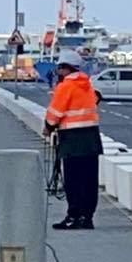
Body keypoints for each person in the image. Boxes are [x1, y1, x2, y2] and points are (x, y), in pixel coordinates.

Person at [43, 49, 102, 230]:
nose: (58, 72)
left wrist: (48, 127)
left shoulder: (65, 86)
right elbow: (94, 100)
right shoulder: (87, 84)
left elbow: (55, 112)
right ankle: (87, 217)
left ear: (65, 68)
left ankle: (73, 216)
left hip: (73, 139)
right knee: (89, 180)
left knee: (73, 180)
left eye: (59, 68)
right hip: (91, 138)